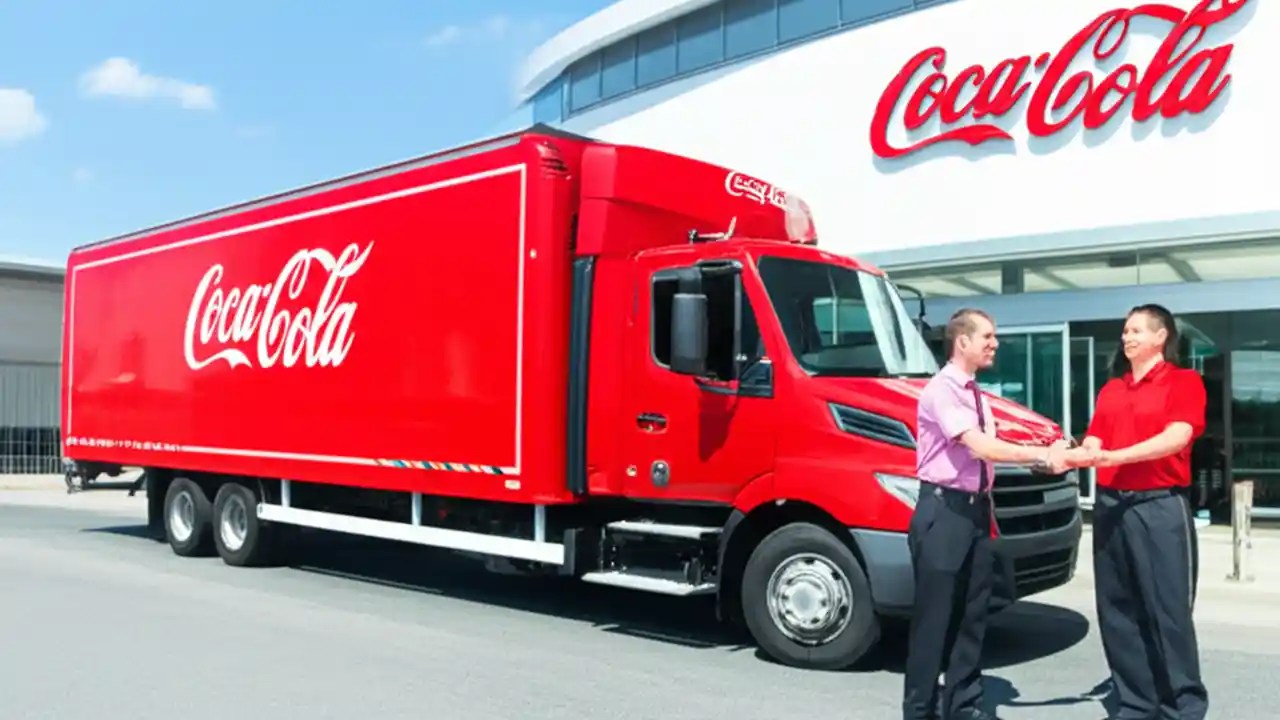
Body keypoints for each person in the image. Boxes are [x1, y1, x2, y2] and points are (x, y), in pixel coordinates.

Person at [903, 308, 1070, 720]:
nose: (994, 344)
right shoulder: (942, 390)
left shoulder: (976, 393)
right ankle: (920, 710)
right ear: (963, 342)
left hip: (976, 514)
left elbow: (995, 452)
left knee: (972, 616)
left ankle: (964, 704)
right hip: (943, 514)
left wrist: (1048, 460)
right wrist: (1039, 454)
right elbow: (981, 448)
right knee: (934, 621)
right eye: (988, 337)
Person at [1070, 303, 1208, 720]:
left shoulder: (1184, 382)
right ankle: (1136, 703)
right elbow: (1094, 439)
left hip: (1158, 506)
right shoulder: (1112, 389)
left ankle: (1181, 707)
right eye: (1125, 332)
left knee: (1167, 610)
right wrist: (1075, 455)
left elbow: (1176, 437)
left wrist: (1115, 457)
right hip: (1112, 507)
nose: (1126, 337)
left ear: (1160, 336)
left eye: (1135, 330)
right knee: (1117, 609)